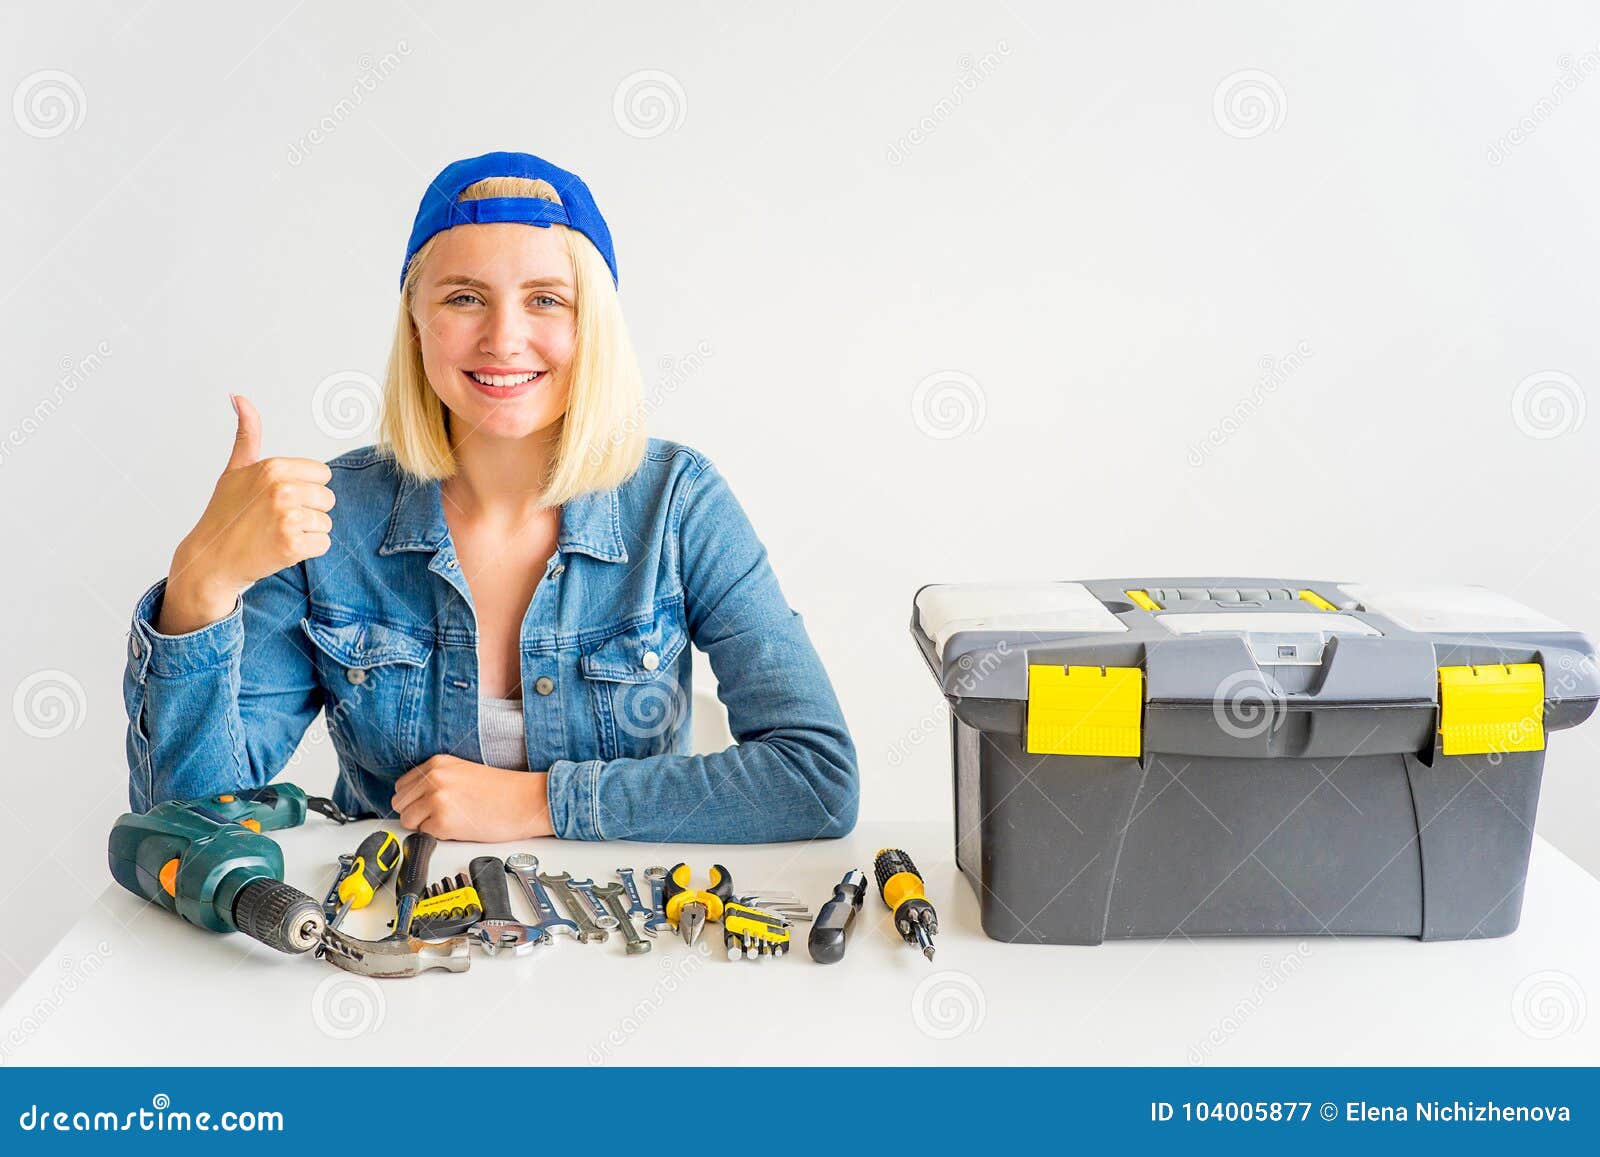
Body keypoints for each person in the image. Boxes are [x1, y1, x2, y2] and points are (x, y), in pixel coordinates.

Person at [121, 151, 859, 844]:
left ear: (593, 327)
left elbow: (816, 779)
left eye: (546, 299)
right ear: (417, 325)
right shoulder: (325, 519)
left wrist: (538, 802)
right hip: (392, 917)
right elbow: (189, 827)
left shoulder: (678, 504)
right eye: (465, 297)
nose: (504, 339)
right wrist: (201, 584)